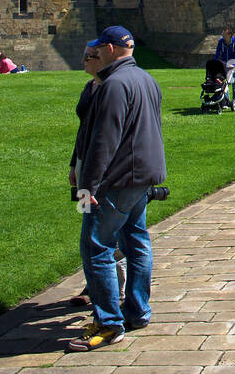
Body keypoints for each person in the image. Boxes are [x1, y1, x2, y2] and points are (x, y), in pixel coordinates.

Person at [68, 26, 165, 352]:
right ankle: (137, 311)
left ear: (109, 48)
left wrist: (87, 186)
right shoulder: (146, 79)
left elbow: (103, 142)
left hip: (117, 180)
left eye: (98, 48)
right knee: (137, 242)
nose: (94, 54)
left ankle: (109, 323)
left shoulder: (113, 85)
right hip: (142, 178)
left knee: (96, 247)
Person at [70, 44, 126, 309]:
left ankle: (113, 290)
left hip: (101, 174)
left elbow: (108, 138)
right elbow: (83, 132)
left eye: (89, 57)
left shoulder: (110, 89)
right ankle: (93, 281)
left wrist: (92, 180)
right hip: (85, 169)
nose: (84, 62)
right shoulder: (89, 88)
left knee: (104, 231)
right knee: (87, 227)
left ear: (102, 58)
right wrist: (74, 165)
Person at [214, 27, 235, 110]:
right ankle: (226, 102)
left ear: (229, 34)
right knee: (224, 84)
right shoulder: (221, 42)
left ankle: (234, 102)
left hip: (234, 65)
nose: (222, 34)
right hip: (224, 65)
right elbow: (217, 53)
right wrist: (216, 62)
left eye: (224, 33)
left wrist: (233, 64)